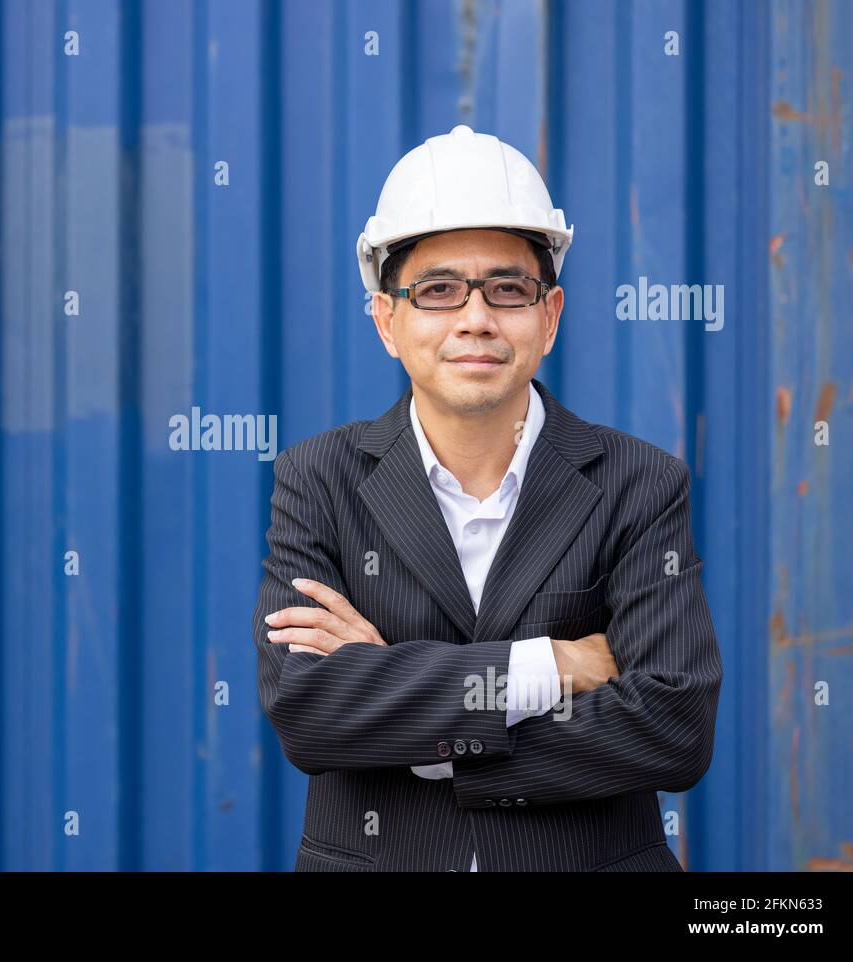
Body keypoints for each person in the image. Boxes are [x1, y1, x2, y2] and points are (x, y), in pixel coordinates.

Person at [252, 125, 723, 872]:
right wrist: (549, 667)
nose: (476, 318)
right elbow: (311, 714)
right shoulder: (318, 480)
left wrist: (431, 736)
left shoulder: (638, 483)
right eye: (437, 290)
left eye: (507, 288)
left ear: (550, 316)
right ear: (387, 320)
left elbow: (674, 725)